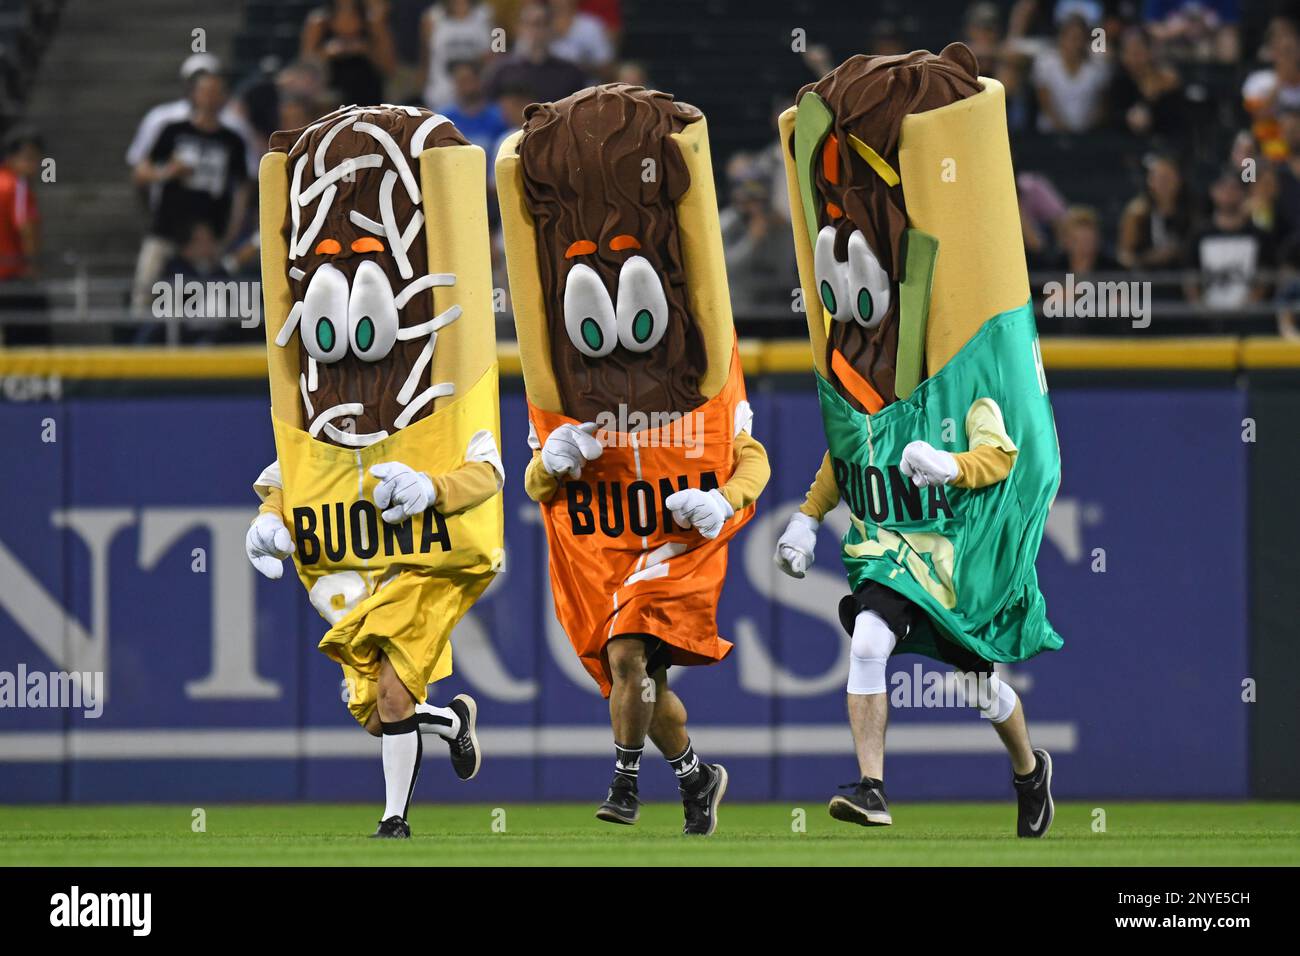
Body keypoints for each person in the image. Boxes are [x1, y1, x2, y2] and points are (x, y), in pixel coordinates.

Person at [130, 70, 250, 318]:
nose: (210, 98)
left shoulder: (233, 140)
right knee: (144, 293)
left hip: (208, 237)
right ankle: (138, 347)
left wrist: (231, 230)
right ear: (193, 95)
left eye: (217, 92)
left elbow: (242, 188)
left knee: (207, 302)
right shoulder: (173, 130)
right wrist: (167, 173)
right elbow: (140, 172)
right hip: (166, 229)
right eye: (205, 91)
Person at [485, 2, 588, 105]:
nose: (535, 30)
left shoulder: (570, 72)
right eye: (529, 24)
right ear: (519, 28)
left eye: (541, 24)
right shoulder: (503, 71)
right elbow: (490, 111)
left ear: (551, 28)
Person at [300, 0, 397, 106]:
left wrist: (366, 50)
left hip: (369, 96)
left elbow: (389, 67)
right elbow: (306, 66)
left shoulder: (373, 22)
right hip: (330, 99)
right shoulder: (318, 22)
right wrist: (326, 53)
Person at [0, 129, 46, 345]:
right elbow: (26, 227)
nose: (35, 165)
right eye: (28, 159)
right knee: (28, 338)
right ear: (10, 158)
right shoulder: (15, 186)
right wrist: (31, 266)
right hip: (12, 276)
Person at [1031, 13, 1109, 132]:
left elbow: (1101, 105)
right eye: (1071, 38)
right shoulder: (1046, 63)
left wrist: (1086, 130)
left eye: (1079, 38)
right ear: (1061, 38)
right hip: (1050, 133)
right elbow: (1045, 102)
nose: (1075, 44)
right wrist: (1062, 129)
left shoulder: (1096, 68)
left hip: (1086, 134)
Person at [1117, 152, 1194, 270]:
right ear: (1150, 181)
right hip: (1149, 279)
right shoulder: (1137, 212)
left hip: (1183, 275)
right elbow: (1124, 255)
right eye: (1159, 178)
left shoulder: (1192, 210)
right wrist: (1149, 258)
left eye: (1168, 177)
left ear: (1179, 180)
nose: (1164, 184)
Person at [419, 0, 494, 110]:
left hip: (475, 95)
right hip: (441, 93)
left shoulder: (487, 16)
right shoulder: (431, 18)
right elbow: (425, 57)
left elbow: (497, 50)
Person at [440, 59, 507, 153]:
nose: (464, 86)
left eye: (467, 80)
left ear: (479, 81)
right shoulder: (444, 118)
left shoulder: (499, 117)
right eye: (459, 81)